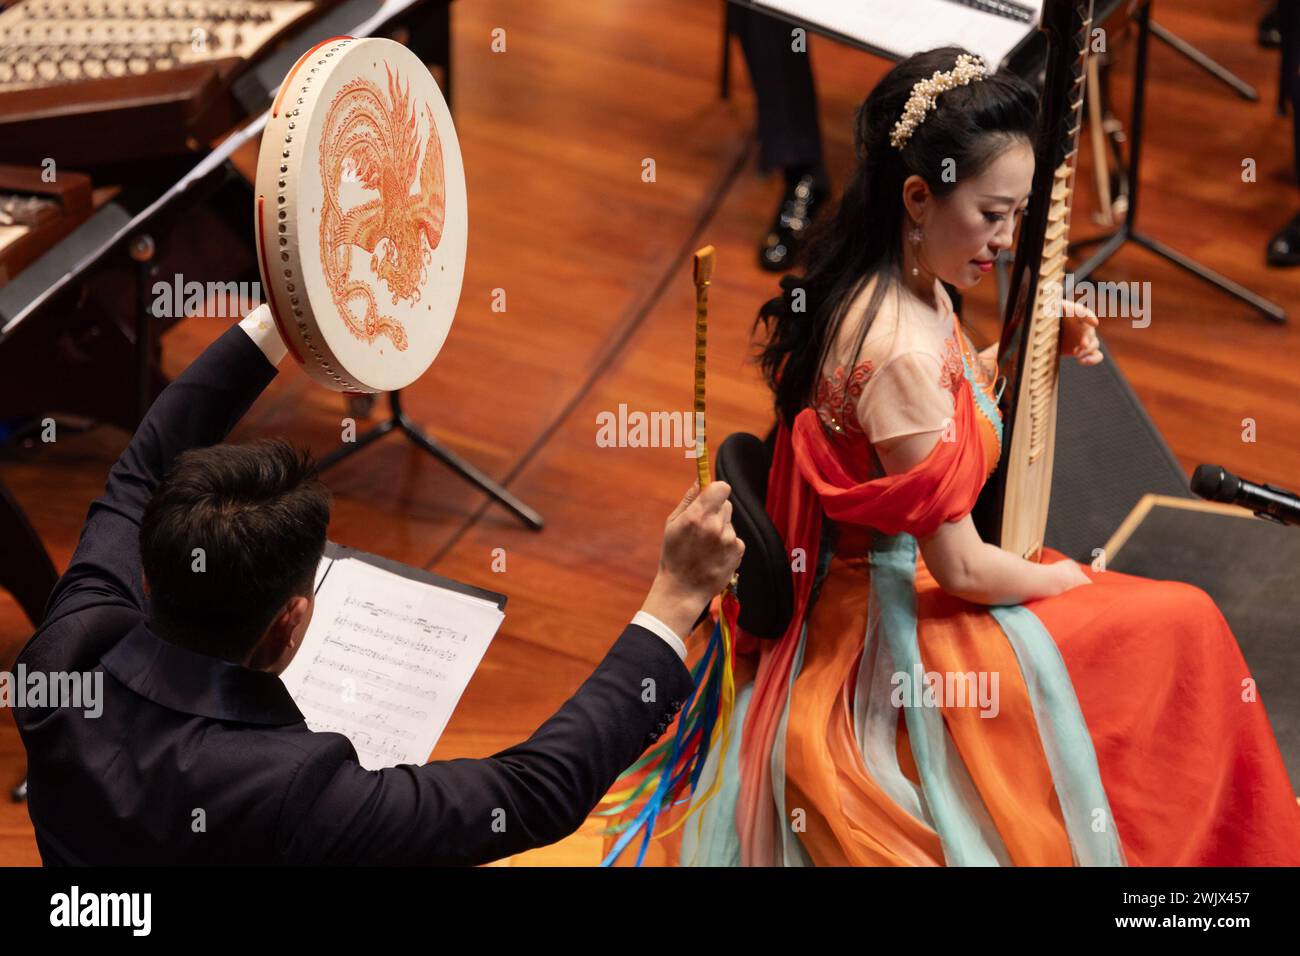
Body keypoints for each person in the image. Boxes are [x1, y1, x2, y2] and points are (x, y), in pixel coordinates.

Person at [673, 47, 1300, 866]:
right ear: (918, 197)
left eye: (1017, 216)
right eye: (993, 215)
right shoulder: (897, 345)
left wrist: (1022, 351)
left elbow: (936, 419)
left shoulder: (900, 279)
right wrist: (1070, 580)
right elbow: (964, 568)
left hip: (914, 575)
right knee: (1177, 622)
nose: (1007, 242)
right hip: (899, 621)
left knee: (1171, 622)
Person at [13, 304, 744, 865]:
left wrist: (287, 312)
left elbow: (140, 466)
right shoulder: (293, 788)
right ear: (291, 623)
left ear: (151, 566)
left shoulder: (67, 653)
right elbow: (528, 796)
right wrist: (673, 601)